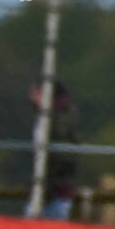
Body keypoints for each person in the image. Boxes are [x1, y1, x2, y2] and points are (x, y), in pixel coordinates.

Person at [26, 80, 79, 220]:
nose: (31, 96)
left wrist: (46, 187)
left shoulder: (56, 122)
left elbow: (60, 158)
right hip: (51, 192)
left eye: (36, 92)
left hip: (56, 194)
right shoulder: (49, 120)